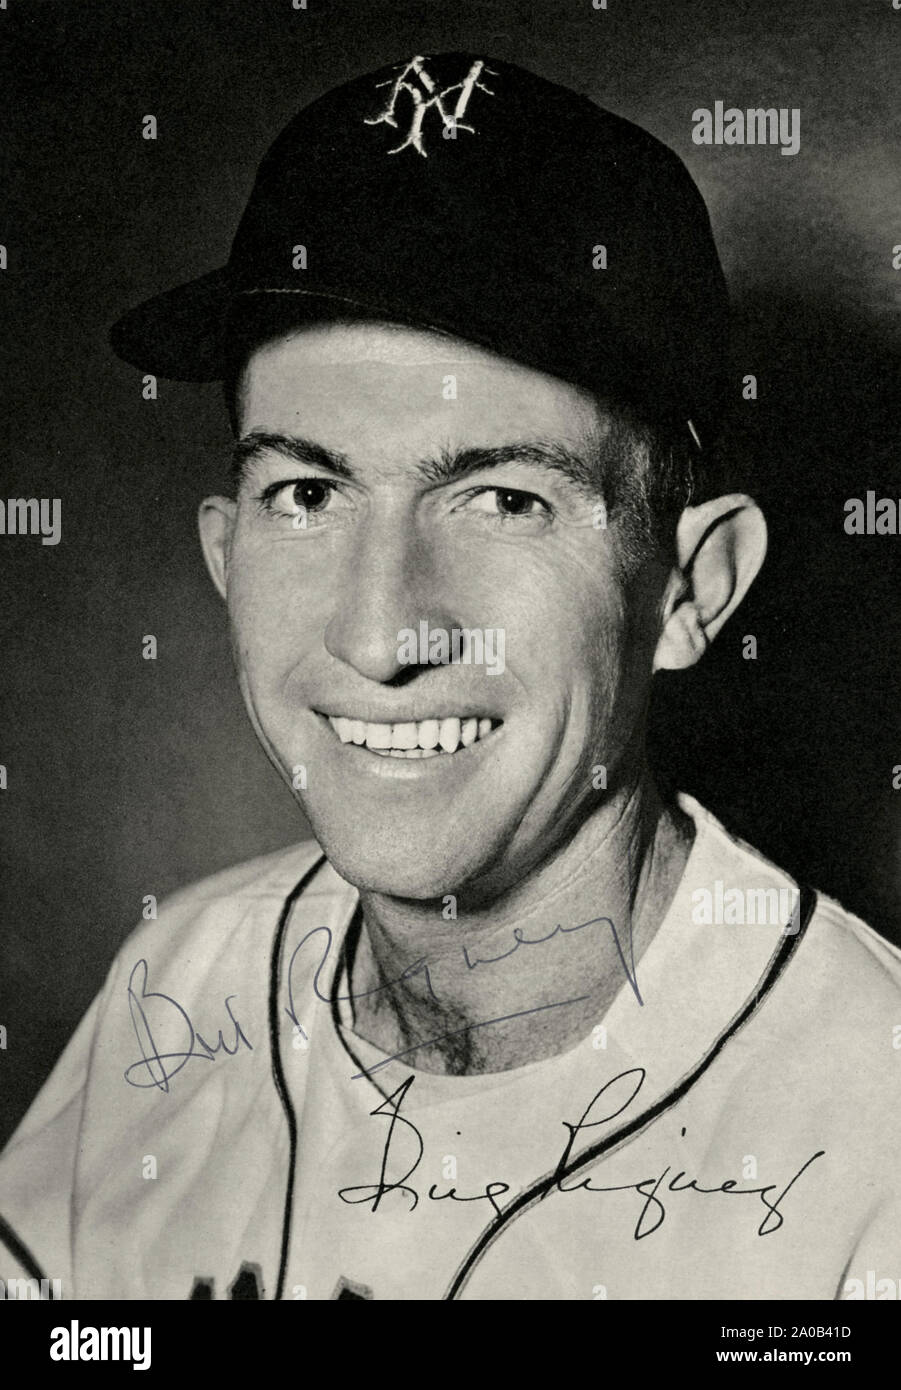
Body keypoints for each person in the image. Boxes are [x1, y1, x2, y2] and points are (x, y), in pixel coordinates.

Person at [1, 52, 898, 1302]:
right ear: (224, 551)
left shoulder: (874, 1149)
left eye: (502, 499)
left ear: (689, 591)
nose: (379, 634)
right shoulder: (181, 975)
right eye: (307, 494)